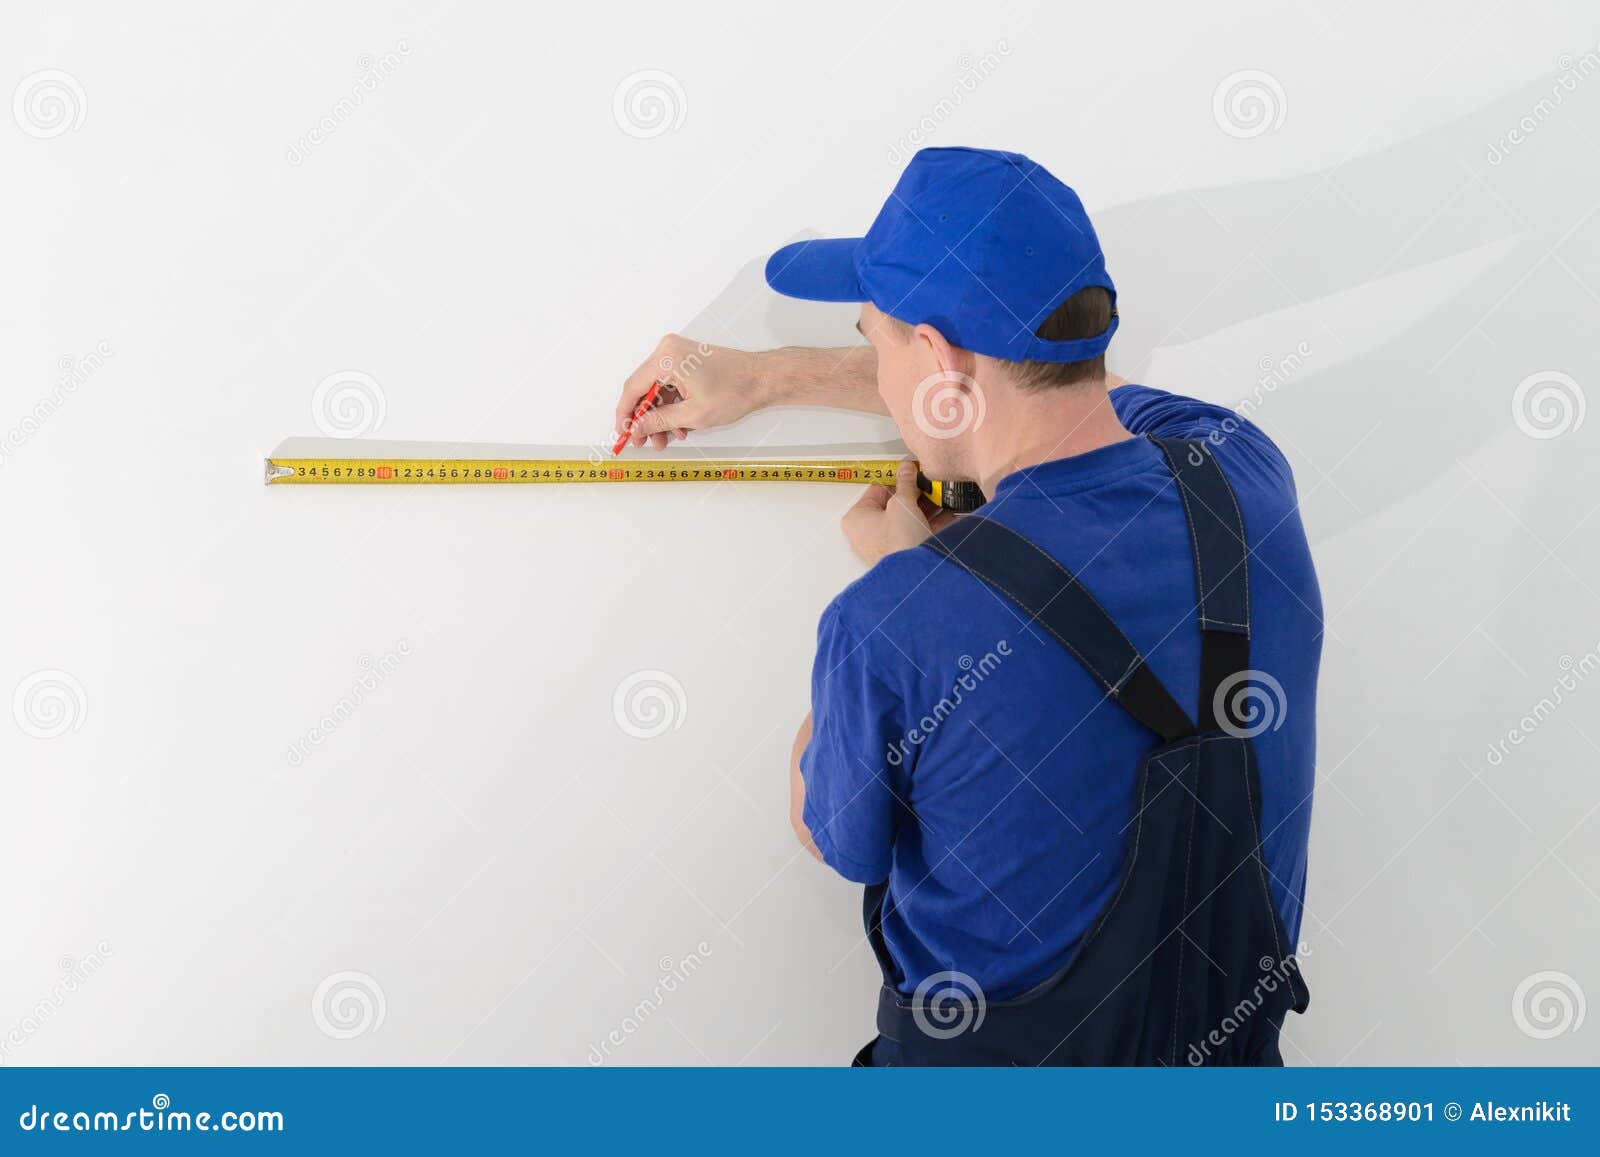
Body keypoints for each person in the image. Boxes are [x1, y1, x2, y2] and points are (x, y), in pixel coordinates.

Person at [612, 147, 1319, 1066]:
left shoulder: (893, 618)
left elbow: (826, 829)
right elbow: (1065, 393)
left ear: (938, 360)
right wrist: (764, 379)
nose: (875, 362)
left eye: (874, 339)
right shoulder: (1243, 473)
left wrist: (909, 571)